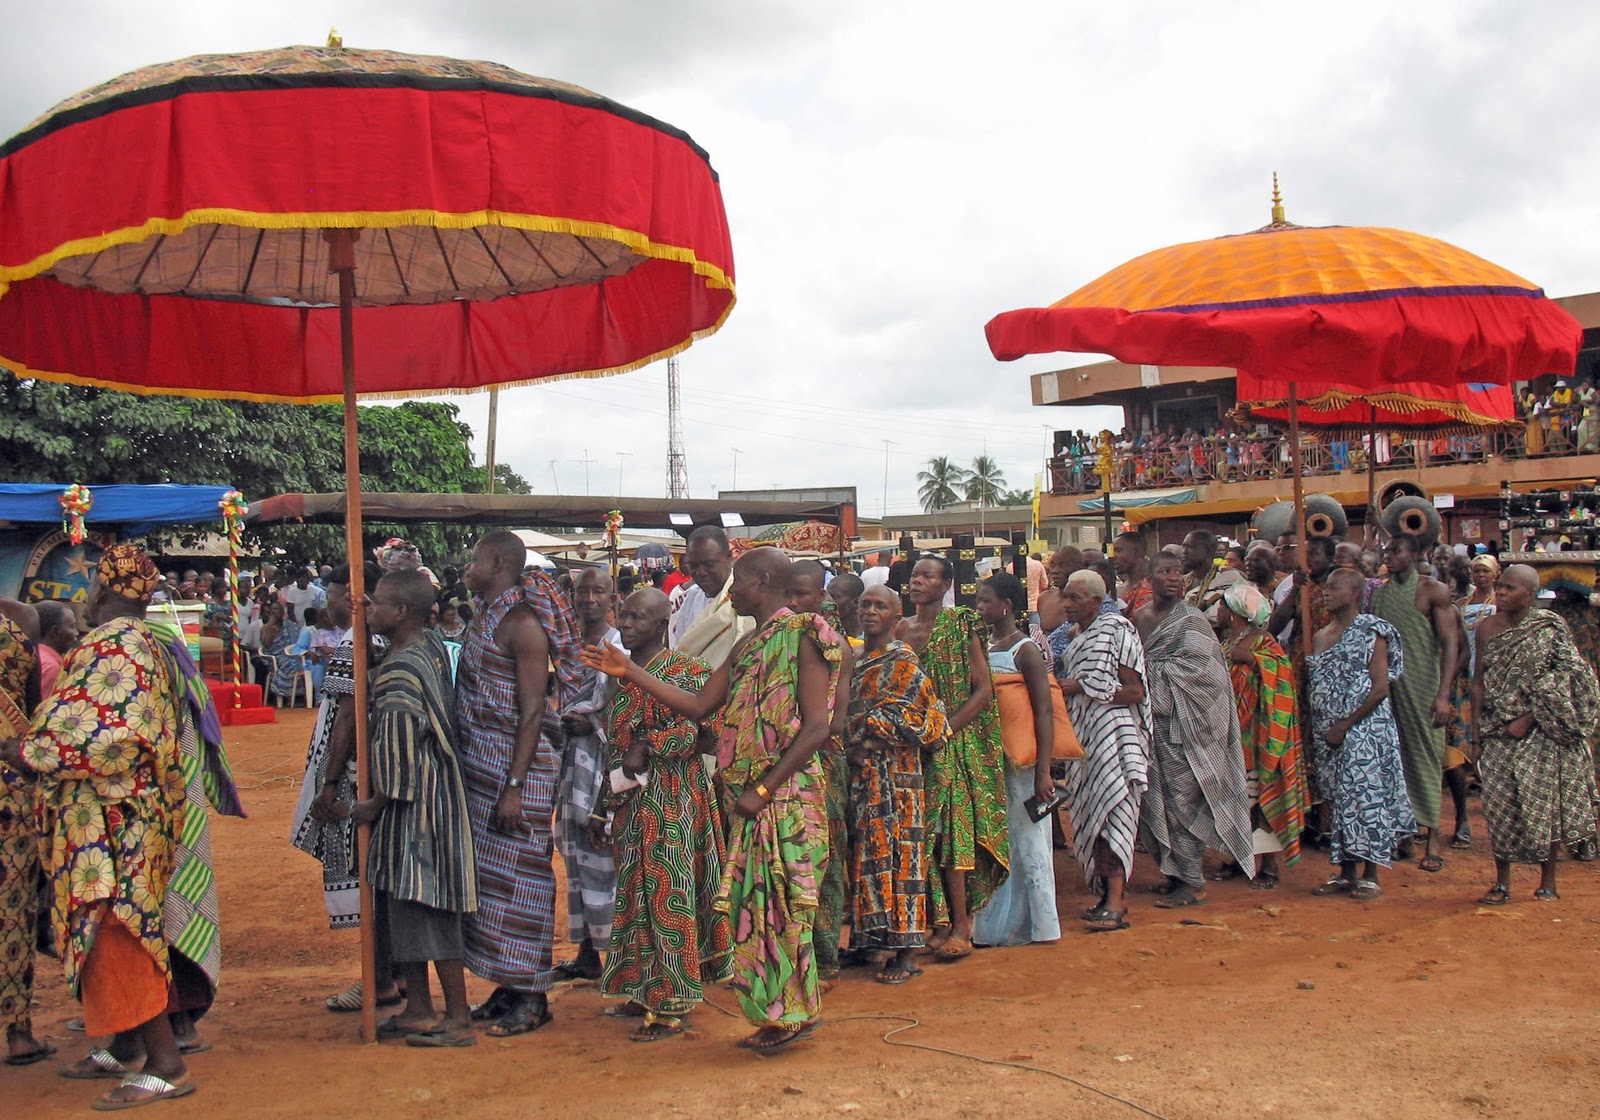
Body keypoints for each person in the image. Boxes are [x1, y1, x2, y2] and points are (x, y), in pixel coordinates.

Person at [9, 545, 243, 1107]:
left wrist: (24, 749)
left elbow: (102, 737)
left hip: (108, 824)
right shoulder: (153, 644)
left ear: (99, 593)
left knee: (119, 932)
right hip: (136, 816)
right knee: (124, 928)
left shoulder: (108, 646)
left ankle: (166, 1064)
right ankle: (126, 1044)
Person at [585, 588, 732, 1040]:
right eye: (624, 616)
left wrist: (651, 745)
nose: (628, 625)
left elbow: (708, 733)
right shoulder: (618, 673)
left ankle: (672, 1003)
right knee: (635, 898)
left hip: (674, 800)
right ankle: (643, 987)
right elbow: (613, 745)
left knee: (669, 897)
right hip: (632, 803)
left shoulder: (686, 672)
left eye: (639, 618)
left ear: (662, 623)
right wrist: (600, 808)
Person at [352, 571, 478, 1048]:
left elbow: (398, 752)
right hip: (433, 799)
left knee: (429, 908)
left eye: (377, 605)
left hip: (419, 808)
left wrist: (373, 804)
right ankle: (420, 1009)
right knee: (408, 909)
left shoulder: (403, 668)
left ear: (400, 612)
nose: (369, 611)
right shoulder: (425, 650)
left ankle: (458, 1017)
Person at [456, 531, 561, 1038]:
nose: (467, 566)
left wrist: (515, 785)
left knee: (524, 882)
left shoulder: (522, 625)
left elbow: (533, 710)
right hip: (485, 767)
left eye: (474, 559)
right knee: (494, 883)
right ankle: (508, 982)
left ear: (496, 562)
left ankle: (533, 994)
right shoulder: (487, 615)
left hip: (518, 772)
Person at [298, 563, 402, 1013]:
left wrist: (331, 784)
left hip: (357, 778)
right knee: (381, 882)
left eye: (335, 593)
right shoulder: (386, 638)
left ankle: (378, 980)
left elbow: (347, 718)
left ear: (352, 596)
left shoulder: (355, 644)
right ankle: (390, 974)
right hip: (381, 773)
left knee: (367, 881)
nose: (330, 602)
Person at [896, 556, 1007, 963]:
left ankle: (962, 926)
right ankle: (937, 922)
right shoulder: (901, 630)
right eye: (914, 576)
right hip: (911, 744)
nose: (918, 582)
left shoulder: (962, 624)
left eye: (928, 576)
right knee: (921, 835)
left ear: (946, 586)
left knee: (953, 832)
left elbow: (982, 690)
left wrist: (944, 731)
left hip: (953, 744)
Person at [1470, 564, 1600, 905]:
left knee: (1543, 807)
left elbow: (1569, 676)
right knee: (1499, 809)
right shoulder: (1486, 628)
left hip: (1540, 732)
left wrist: (1529, 717)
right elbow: (1479, 680)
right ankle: (1502, 882)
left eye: (1509, 589)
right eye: (1500, 587)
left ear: (1530, 595)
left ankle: (1548, 880)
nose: (1500, 593)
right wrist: (1476, 734)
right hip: (1497, 731)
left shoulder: (1549, 627)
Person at [1133, 553, 1255, 905]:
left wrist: (1156, 677)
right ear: (1149, 577)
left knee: (1186, 801)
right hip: (1153, 726)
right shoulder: (1139, 618)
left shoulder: (1193, 622)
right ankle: (1173, 873)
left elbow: (1209, 677)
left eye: (1177, 572)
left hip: (1188, 729)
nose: (1173, 578)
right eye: (1164, 571)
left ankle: (1193, 880)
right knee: (1157, 801)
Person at [845, 585, 949, 983]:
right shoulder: (856, 660)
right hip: (863, 776)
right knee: (866, 858)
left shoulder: (904, 662)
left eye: (880, 606)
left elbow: (930, 722)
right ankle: (867, 940)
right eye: (865, 604)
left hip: (899, 777)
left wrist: (868, 728)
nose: (871, 611)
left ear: (896, 614)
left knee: (903, 858)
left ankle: (907, 951)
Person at [1306, 568, 1416, 900]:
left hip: (1364, 729)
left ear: (1355, 592)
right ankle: (1346, 873)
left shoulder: (1372, 631)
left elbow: (1380, 688)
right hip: (1328, 732)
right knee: (1338, 800)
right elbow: (1316, 685)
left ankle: (1371, 873)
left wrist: (1345, 724)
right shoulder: (1322, 634)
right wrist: (1320, 729)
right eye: (1325, 588)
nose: (1326, 593)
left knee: (1365, 798)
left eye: (1334, 588)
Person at [1055, 570, 1149, 932]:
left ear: (1097, 600)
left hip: (1114, 737)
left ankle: (1116, 902)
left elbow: (1134, 691)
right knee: (1092, 817)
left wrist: (1082, 687)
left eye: (1075, 598)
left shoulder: (1117, 630)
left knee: (1113, 818)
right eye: (1065, 597)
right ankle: (1104, 898)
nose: (1067, 605)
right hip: (1085, 737)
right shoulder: (1077, 636)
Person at [970, 574, 1059, 947]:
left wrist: (1044, 770)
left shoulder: (1025, 649)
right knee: (1000, 840)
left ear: (1006, 604)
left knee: (1030, 840)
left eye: (985, 601)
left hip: (1023, 763)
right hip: (992, 762)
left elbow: (1044, 711)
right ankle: (998, 925)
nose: (979, 608)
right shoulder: (983, 646)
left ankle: (1040, 925)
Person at [1370, 533, 1459, 872]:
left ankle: (1432, 839)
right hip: (1389, 688)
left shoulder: (1431, 591)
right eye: (1386, 551)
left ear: (1415, 554)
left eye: (1396, 551)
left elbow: (1450, 644)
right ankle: (1404, 837)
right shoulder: (1379, 594)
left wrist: (1443, 693)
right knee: (1395, 760)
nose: (1388, 557)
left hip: (1423, 686)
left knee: (1426, 757)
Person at [786, 559, 854, 984]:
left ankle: (825, 958)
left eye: (803, 595)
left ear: (821, 595)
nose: (794, 603)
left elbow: (836, 721)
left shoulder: (833, 646)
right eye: (788, 594)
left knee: (822, 862)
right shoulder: (781, 639)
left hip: (821, 762)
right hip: (787, 762)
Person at [552, 569, 622, 983]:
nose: (589, 599)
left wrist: (591, 726)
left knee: (604, 861)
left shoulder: (617, 645)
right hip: (571, 763)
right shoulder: (567, 646)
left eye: (598, 592)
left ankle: (614, 958)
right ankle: (586, 956)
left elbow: (626, 705)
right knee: (577, 861)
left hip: (604, 764)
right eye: (583, 591)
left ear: (612, 598)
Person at [1217, 583, 1306, 887]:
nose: (1218, 611)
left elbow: (1283, 679)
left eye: (1223, 606)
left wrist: (1253, 660)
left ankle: (1269, 865)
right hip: (1233, 734)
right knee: (1237, 799)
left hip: (1260, 735)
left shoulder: (1264, 643)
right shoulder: (1229, 642)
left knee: (1263, 798)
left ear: (1235, 613)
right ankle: (1238, 858)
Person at [0, 595, 45, 1065]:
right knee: (13, 908)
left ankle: (19, 1029)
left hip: (9, 785)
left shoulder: (21, 617)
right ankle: (18, 1031)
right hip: (12, 784)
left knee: (15, 907)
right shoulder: (19, 619)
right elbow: (33, 709)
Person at [669, 525, 751, 661]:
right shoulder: (691, 597)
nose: (700, 572)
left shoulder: (746, 597)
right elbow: (682, 648)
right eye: (693, 566)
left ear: (729, 557)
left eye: (708, 564)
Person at [1181, 529, 1242, 629]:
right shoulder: (1182, 582)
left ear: (1209, 551)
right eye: (1183, 546)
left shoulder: (1228, 577)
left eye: (1191, 547)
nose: (1184, 552)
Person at [34, 598, 79, 699]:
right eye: (72, 626)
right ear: (56, 631)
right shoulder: (52, 668)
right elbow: (42, 711)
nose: (77, 633)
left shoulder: (28, 655)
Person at [1112, 532, 1152, 616]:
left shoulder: (1155, 586)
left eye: (1118, 550)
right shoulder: (1116, 591)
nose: (1112, 556)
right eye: (1111, 552)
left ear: (1137, 552)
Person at [826, 572, 865, 642]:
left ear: (856, 602)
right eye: (828, 596)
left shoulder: (873, 634)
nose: (828, 601)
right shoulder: (824, 634)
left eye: (835, 597)